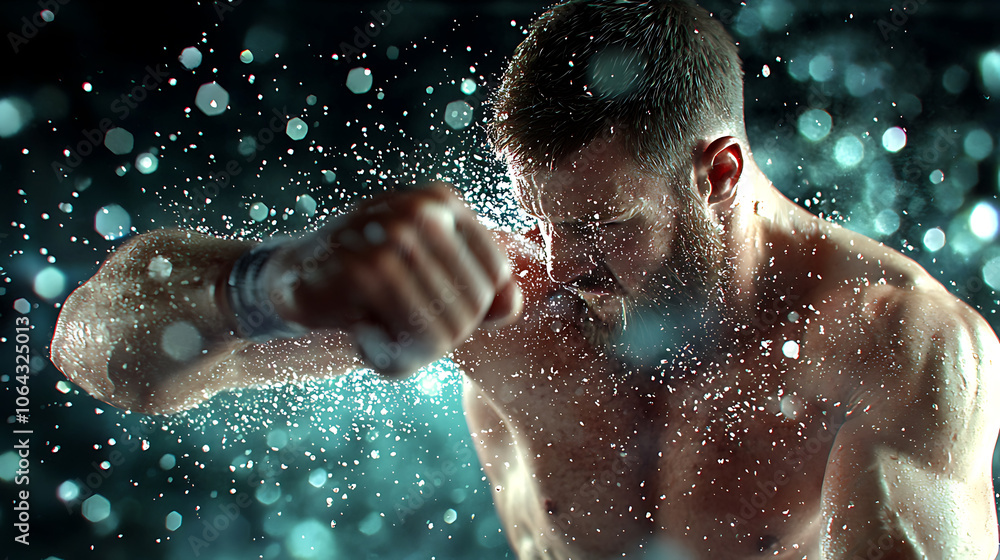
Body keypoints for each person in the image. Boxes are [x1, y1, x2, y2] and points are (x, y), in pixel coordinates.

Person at [50, 0, 1000, 558]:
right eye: (542, 219)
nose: (563, 262)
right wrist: (266, 286)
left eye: (603, 227)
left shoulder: (893, 343)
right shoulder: (501, 295)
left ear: (718, 175)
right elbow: (99, 353)